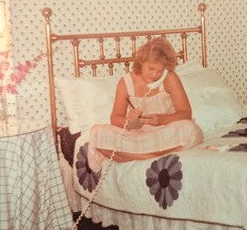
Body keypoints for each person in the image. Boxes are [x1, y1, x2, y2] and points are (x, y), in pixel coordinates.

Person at [87, 37, 203, 172]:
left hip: (166, 132)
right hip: (138, 136)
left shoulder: (170, 78)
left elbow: (186, 113)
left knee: (191, 129)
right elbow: (115, 119)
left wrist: (160, 119)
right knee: (98, 133)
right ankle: (156, 157)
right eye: (151, 68)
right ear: (141, 62)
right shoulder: (126, 83)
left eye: (160, 71)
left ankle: (140, 157)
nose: (155, 75)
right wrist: (131, 121)